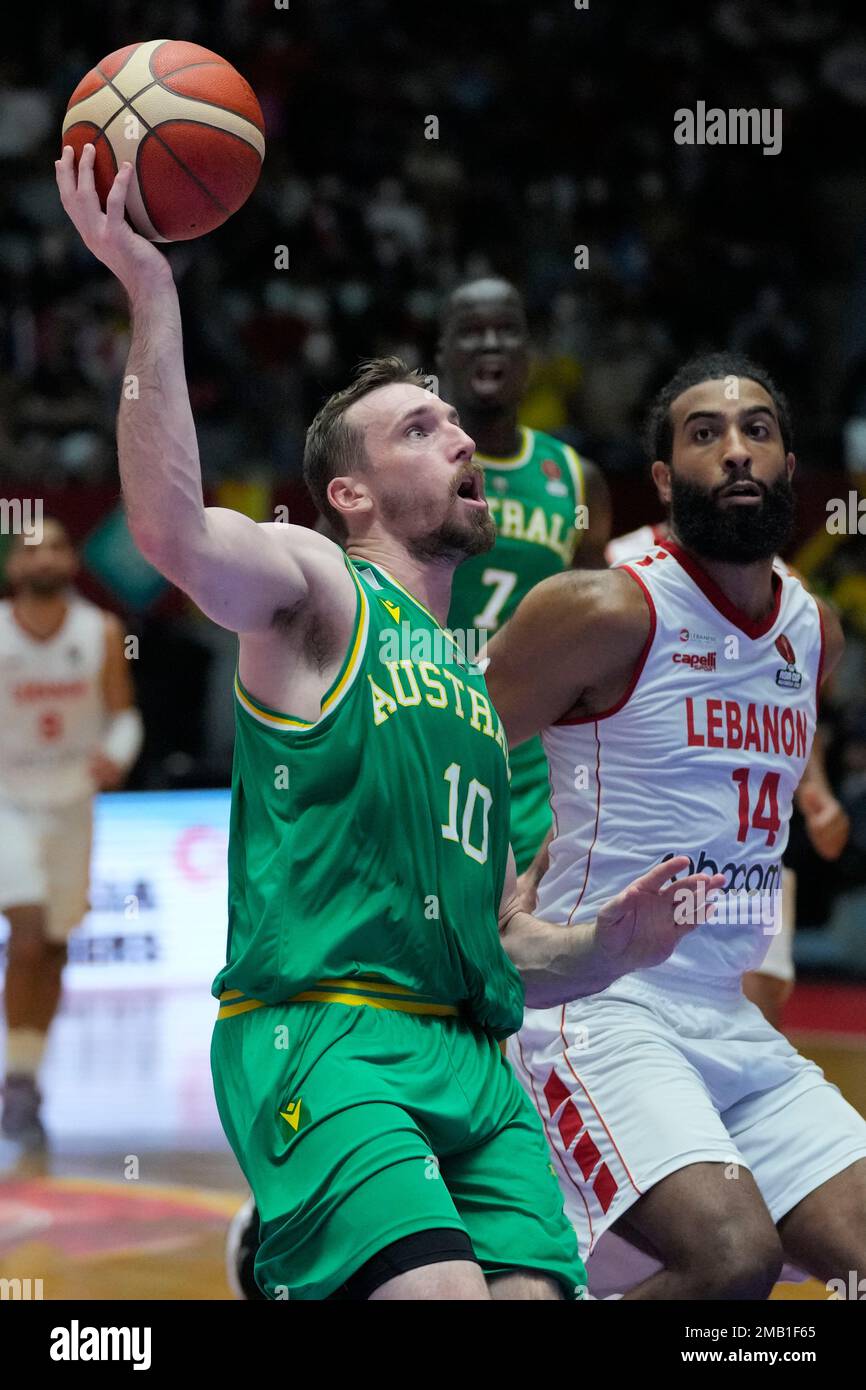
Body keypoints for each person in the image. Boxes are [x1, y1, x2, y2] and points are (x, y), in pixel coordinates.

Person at [55, 143, 720, 1302]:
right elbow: (169, 530)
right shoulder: (315, 587)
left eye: (455, 425)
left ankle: (278, 1266)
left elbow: (502, 948)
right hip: (326, 1034)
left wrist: (609, 947)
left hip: (470, 1060)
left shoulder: (475, 698)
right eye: (418, 428)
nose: (459, 437)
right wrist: (149, 293)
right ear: (348, 492)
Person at [486, 353, 866, 1299]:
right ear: (662, 480)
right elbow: (440, 743)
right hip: (599, 1006)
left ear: (787, 465)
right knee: (733, 1261)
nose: (734, 451)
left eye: (757, 431)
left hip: (727, 1012)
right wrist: (488, 888)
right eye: (705, 435)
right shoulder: (606, 607)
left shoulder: (815, 632)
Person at [606, 525, 851, 1028]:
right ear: (666, 475)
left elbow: (793, 711)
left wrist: (817, 792)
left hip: (751, 849)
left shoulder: (787, 586)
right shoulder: (619, 564)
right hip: (646, 844)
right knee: (631, 1004)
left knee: (757, 1004)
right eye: (705, 439)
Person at [440, 278, 611, 873]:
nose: (491, 344)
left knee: (531, 949)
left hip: (536, 756)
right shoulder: (411, 464)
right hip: (425, 725)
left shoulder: (575, 476)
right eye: (471, 332)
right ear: (442, 355)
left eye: (506, 330)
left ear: (528, 355)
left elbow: (599, 628)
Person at [0, 518, 142, 1146]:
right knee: (27, 935)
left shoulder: (101, 631)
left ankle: (24, 1079)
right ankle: (19, 1078)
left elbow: (124, 716)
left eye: (58, 543)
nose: (46, 555)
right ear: (13, 567)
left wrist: (117, 751)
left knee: (55, 946)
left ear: (70, 561)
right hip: (7, 801)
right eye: (32, 546)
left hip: (72, 806)